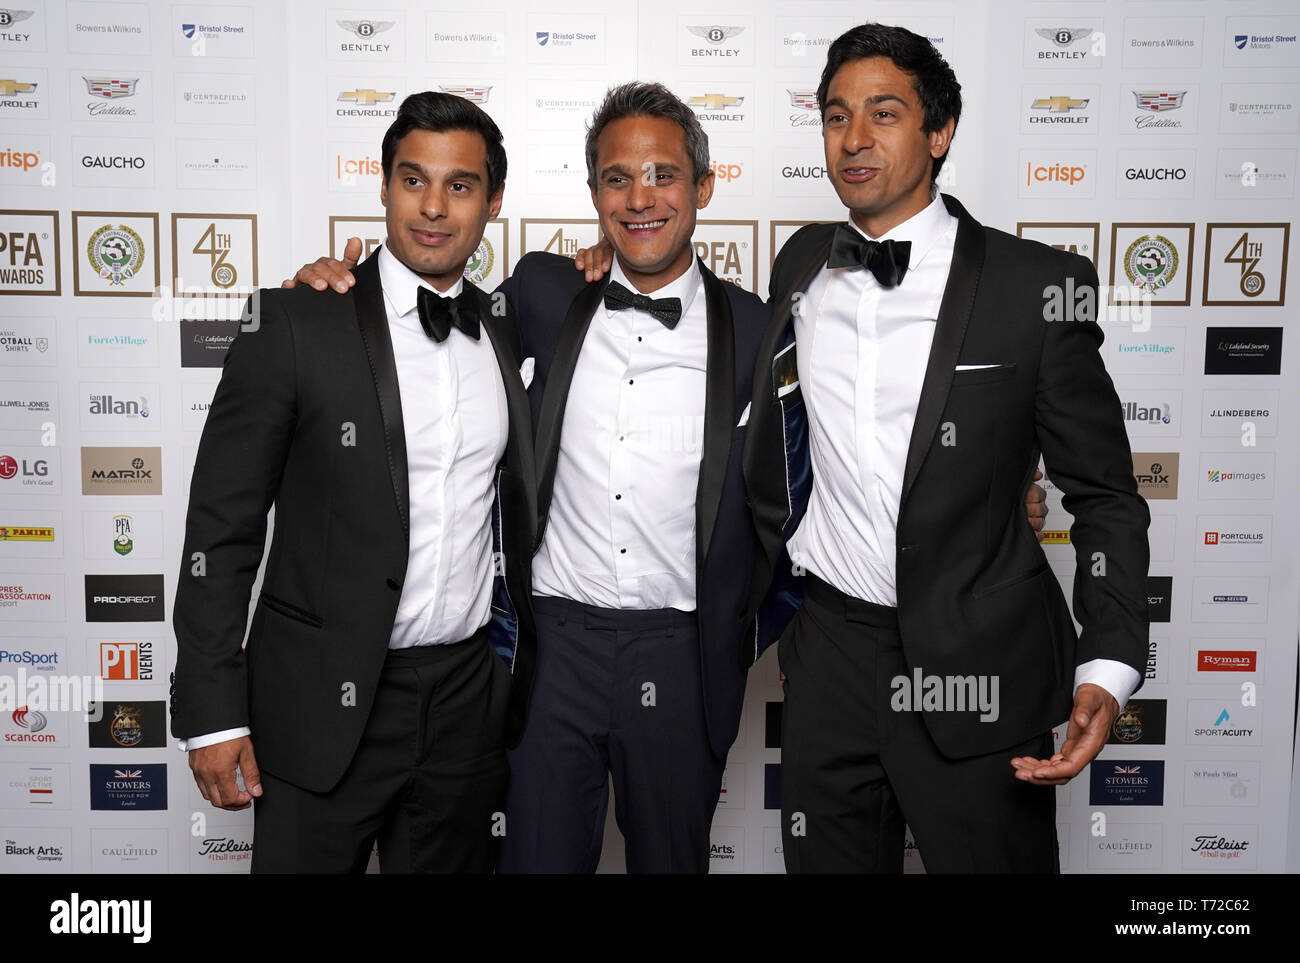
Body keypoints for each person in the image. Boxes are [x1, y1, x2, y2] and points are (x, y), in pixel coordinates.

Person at [288, 82, 1049, 874]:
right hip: (553, 653)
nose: (640, 198)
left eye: (664, 176)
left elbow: (825, 464)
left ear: (704, 186)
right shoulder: (543, 293)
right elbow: (424, 320)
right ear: (595, 195)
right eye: (617, 179)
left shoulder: (761, 327)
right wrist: (336, 293)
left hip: (683, 657)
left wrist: (995, 489)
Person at [739, 23, 1149, 872]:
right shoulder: (802, 261)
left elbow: (1105, 493)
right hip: (830, 658)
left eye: (884, 113)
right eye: (836, 116)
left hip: (982, 664)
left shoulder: (1036, 287)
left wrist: (1108, 662)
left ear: (940, 131)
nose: (854, 138)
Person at [171, 91, 538, 873]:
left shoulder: (504, 328)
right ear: (383, 186)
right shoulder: (295, 322)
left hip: (465, 707)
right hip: (316, 703)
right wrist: (212, 713)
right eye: (413, 180)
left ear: (494, 201)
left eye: (460, 185)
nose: (433, 207)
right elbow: (221, 529)